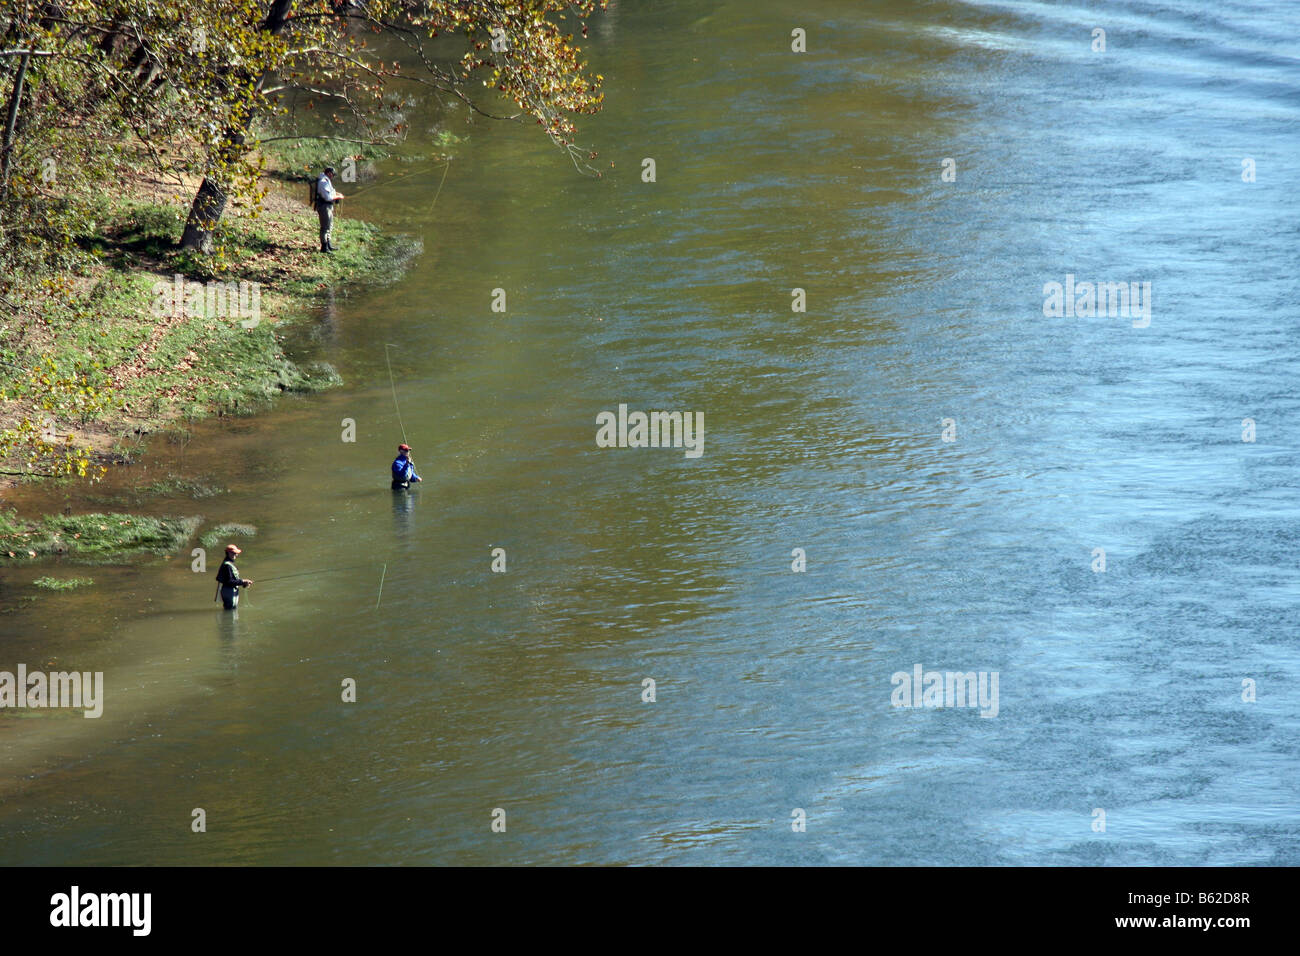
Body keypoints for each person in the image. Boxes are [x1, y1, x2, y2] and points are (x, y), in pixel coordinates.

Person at [314, 166, 345, 253]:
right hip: (324, 206)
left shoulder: (326, 180)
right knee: (325, 227)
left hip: (328, 206)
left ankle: (328, 244)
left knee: (330, 225)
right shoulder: (323, 182)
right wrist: (337, 197)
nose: (333, 176)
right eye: (332, 174)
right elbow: (327, 197)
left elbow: (330, 192)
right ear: (329, 173)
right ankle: (324, 247)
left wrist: (336, 194)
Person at [214, 544, 253, 609]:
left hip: (230, 590)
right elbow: (229, 581)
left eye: (236, 553)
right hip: (228, 591)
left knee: (232, 610)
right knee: (230, 610)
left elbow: (233, 580)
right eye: (234, 553)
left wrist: (243, 583)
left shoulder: (229, 564)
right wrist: (243, 581)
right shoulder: (227, 566)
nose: (236, 555)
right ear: (229, 553)